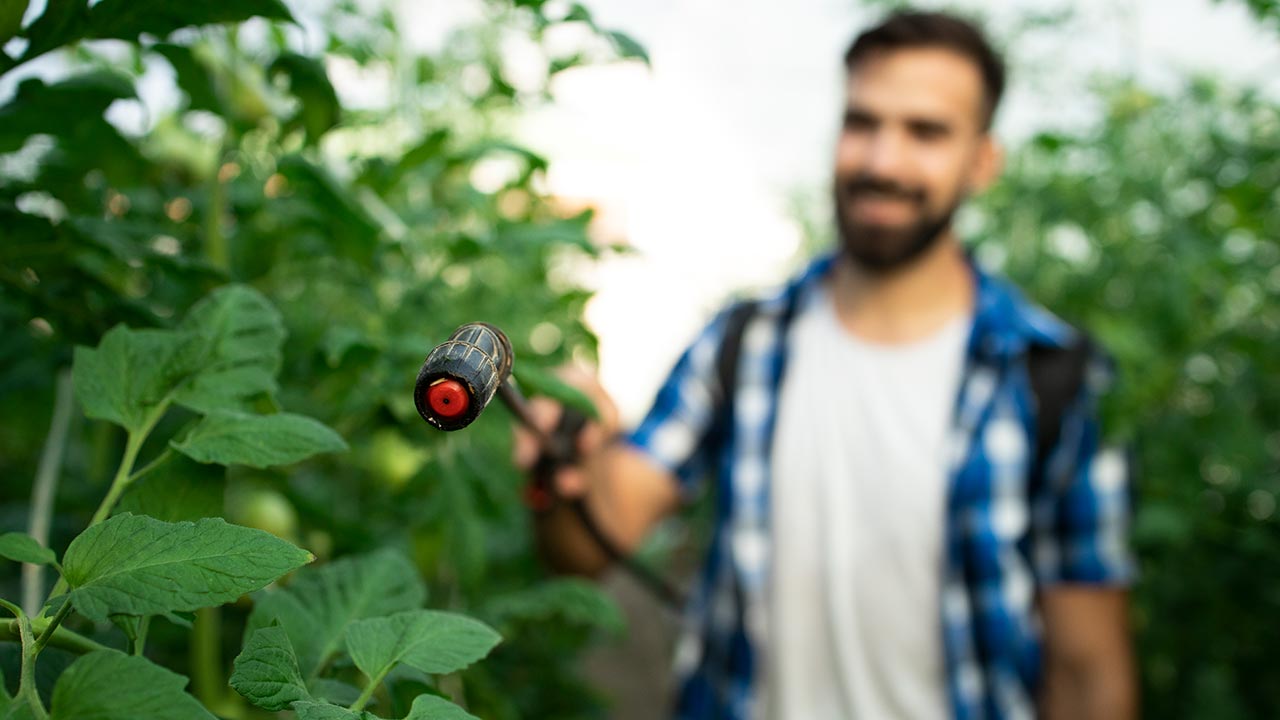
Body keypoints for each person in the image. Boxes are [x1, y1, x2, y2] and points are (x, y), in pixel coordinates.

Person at [516, 10, 1136, 720]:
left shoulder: (1051, 376)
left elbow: (1089, 671)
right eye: (862, 122)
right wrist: (566, 460)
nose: (882, 161)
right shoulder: (744, 343)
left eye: (925, 132)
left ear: (982, 161)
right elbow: (591, 544)